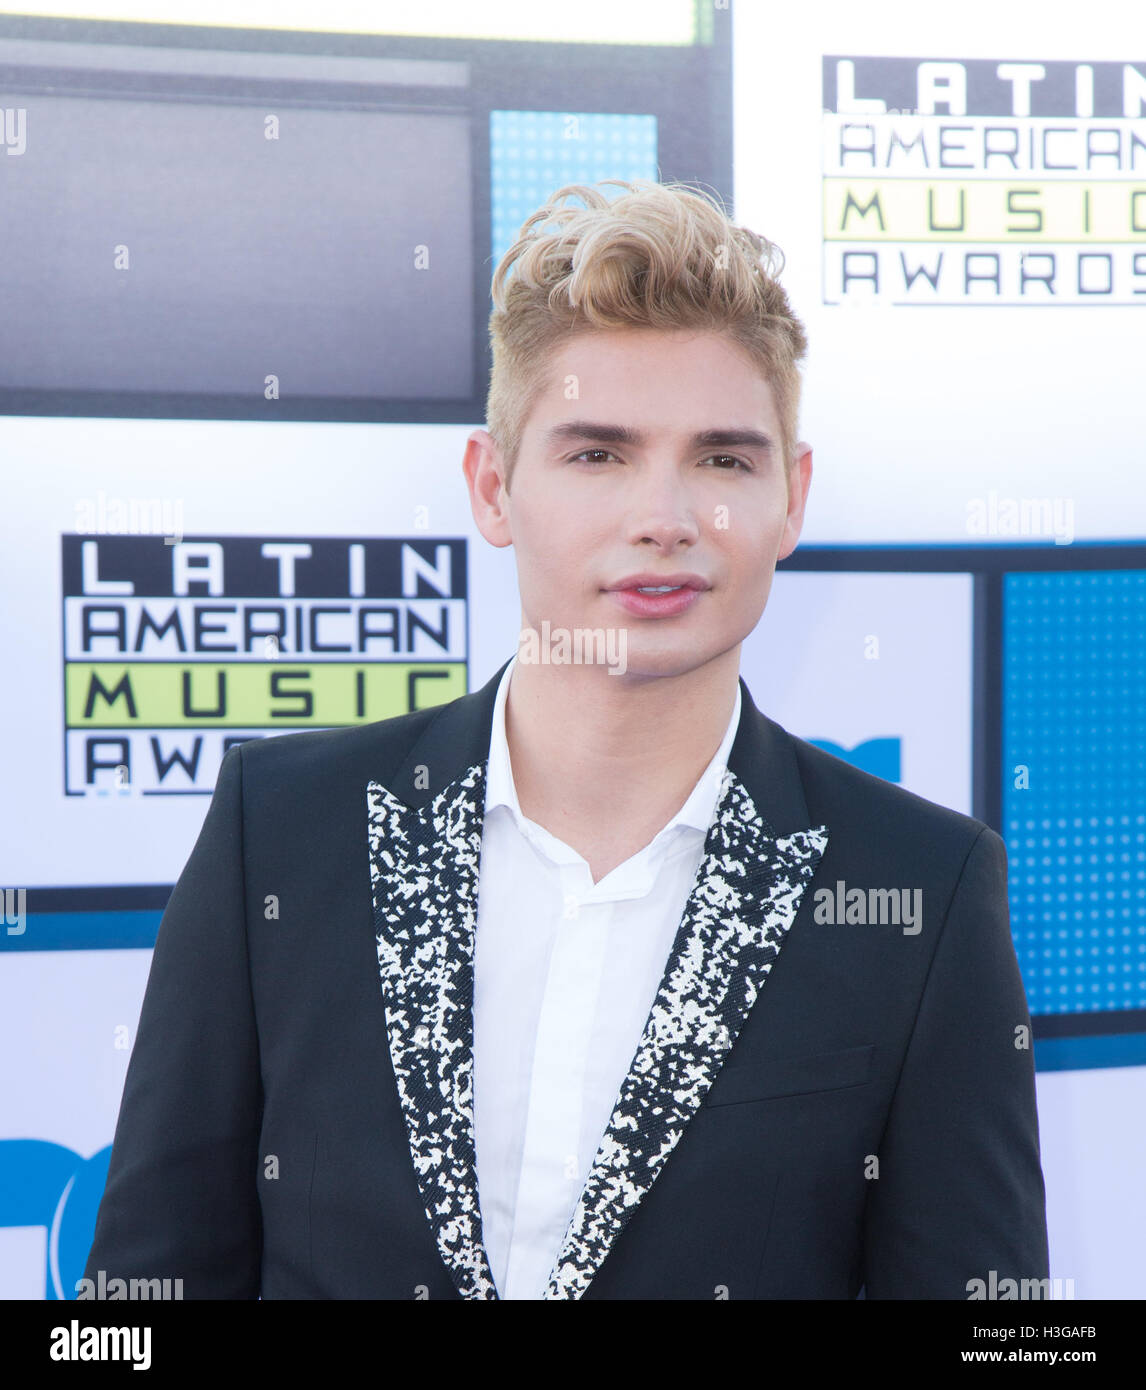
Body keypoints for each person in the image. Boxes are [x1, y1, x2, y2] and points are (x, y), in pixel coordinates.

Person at [84, 178, 1049, 1299]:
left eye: (724, 459)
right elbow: (145, 1294)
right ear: (494, 488)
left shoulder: (921, 888)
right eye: (598, 454)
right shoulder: (281, 828)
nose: (666, 516)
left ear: (791, 496)